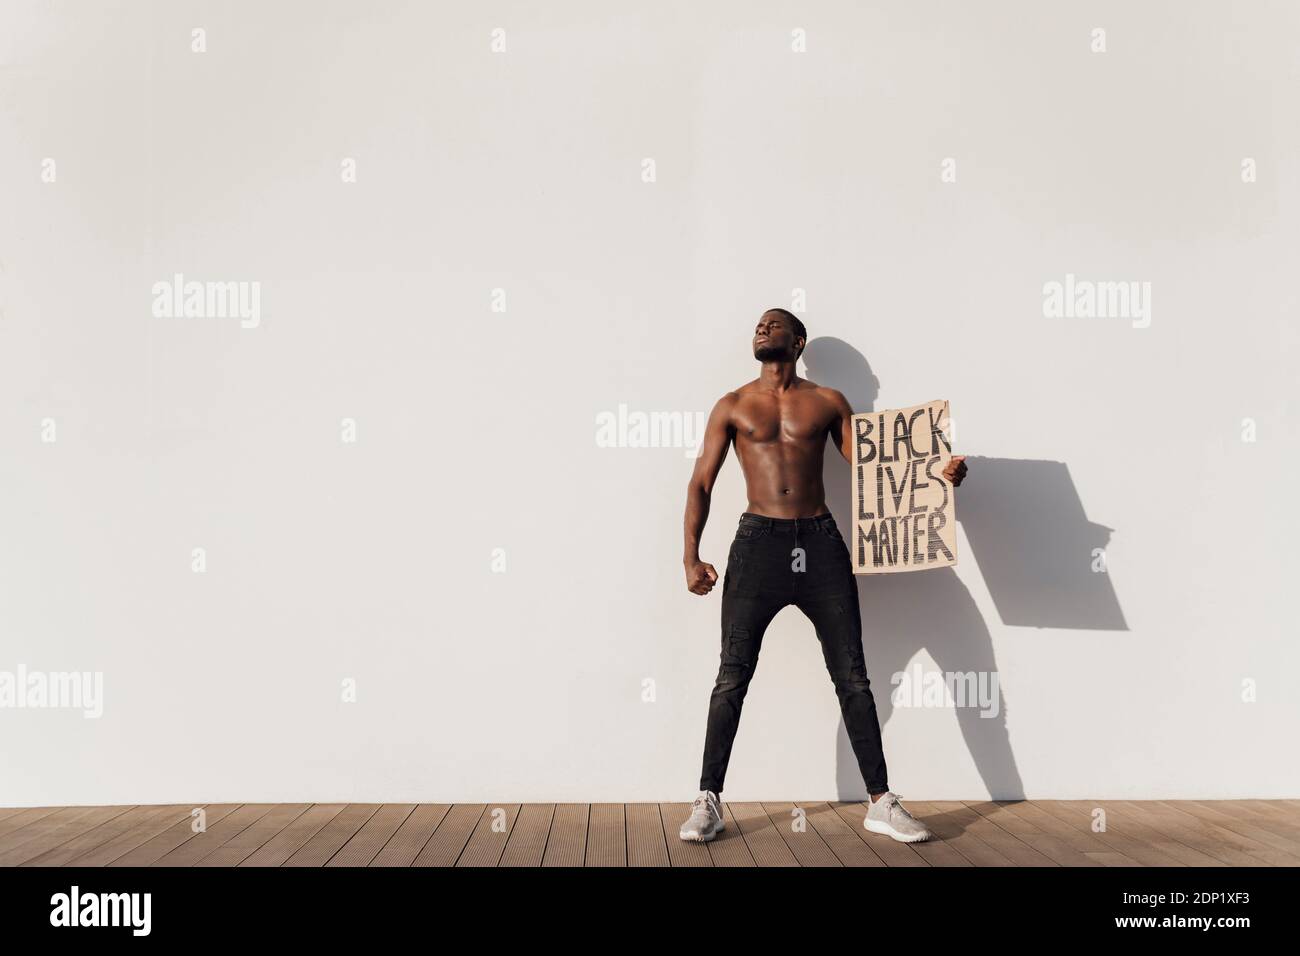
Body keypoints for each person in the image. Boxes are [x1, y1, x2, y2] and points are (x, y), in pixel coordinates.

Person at [679, 308, 968, 843]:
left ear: (798, 339)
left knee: (852, 675)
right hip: (757, 544)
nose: (762, 329)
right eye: (758, 325)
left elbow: (880, 465)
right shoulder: (732, 404)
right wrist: (690, 556)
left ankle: (880, 802)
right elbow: (701, 482)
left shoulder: (828, 401)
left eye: (774, 323)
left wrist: (941, 470)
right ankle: (708, 800)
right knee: (732, 675)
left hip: (820, 541)